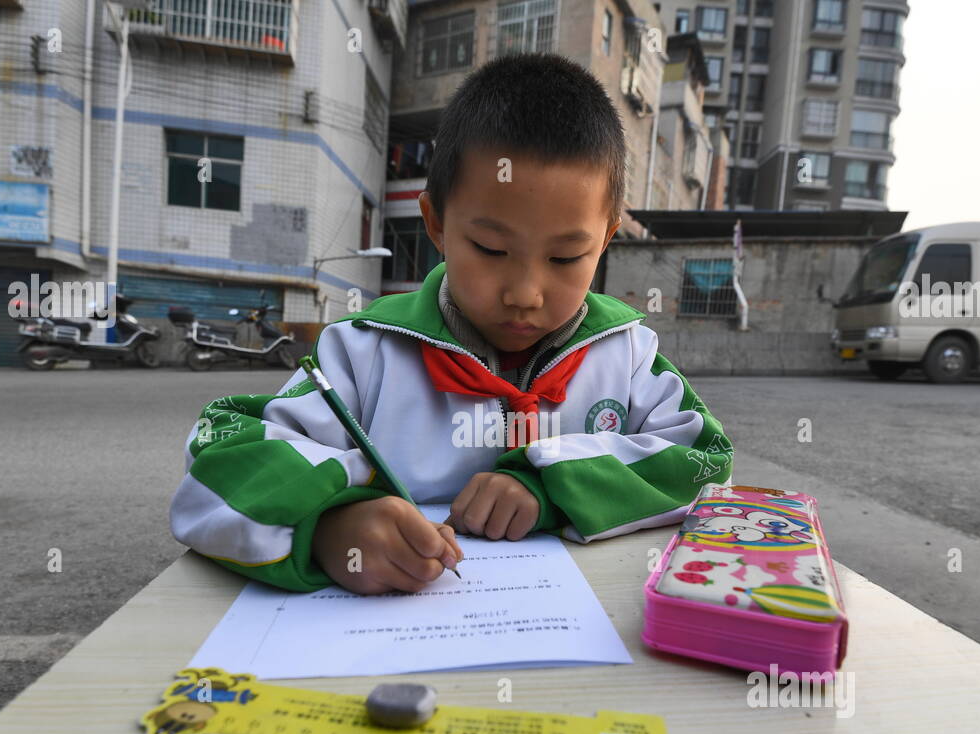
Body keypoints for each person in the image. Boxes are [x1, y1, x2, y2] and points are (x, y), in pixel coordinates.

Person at [168, 52, 734, 595]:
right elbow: (220, 460)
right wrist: (328, 526)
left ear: (606, 239)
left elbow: (704, 461)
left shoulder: (627, 355)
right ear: (436, 224)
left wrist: (552, 485)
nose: (524, 294)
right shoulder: (364, 354)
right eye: (489, 248)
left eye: (565, 258)